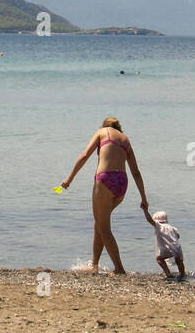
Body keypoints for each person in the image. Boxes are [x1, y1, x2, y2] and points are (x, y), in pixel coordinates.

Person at [61, 116, 149, 274]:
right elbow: (135, 172)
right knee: (100, 222)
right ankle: (94, 264)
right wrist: (144, 197)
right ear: (118, 127)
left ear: (104, 125)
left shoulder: (102, 132)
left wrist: (69, 178)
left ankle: (119, 268)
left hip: (105, 180)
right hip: (122, 183)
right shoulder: (125, 139)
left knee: (104, 227)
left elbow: (85, 155)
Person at [145, 208, 185, 279]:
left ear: (156, 220)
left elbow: (149, 220)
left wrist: (145, 210)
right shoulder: (172, 228)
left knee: (159, 258)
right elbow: (178, 236)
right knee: (179, 262)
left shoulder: (158, 226)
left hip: (167, 248)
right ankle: (182, 274)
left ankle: (168, 273)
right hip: (177, 247)